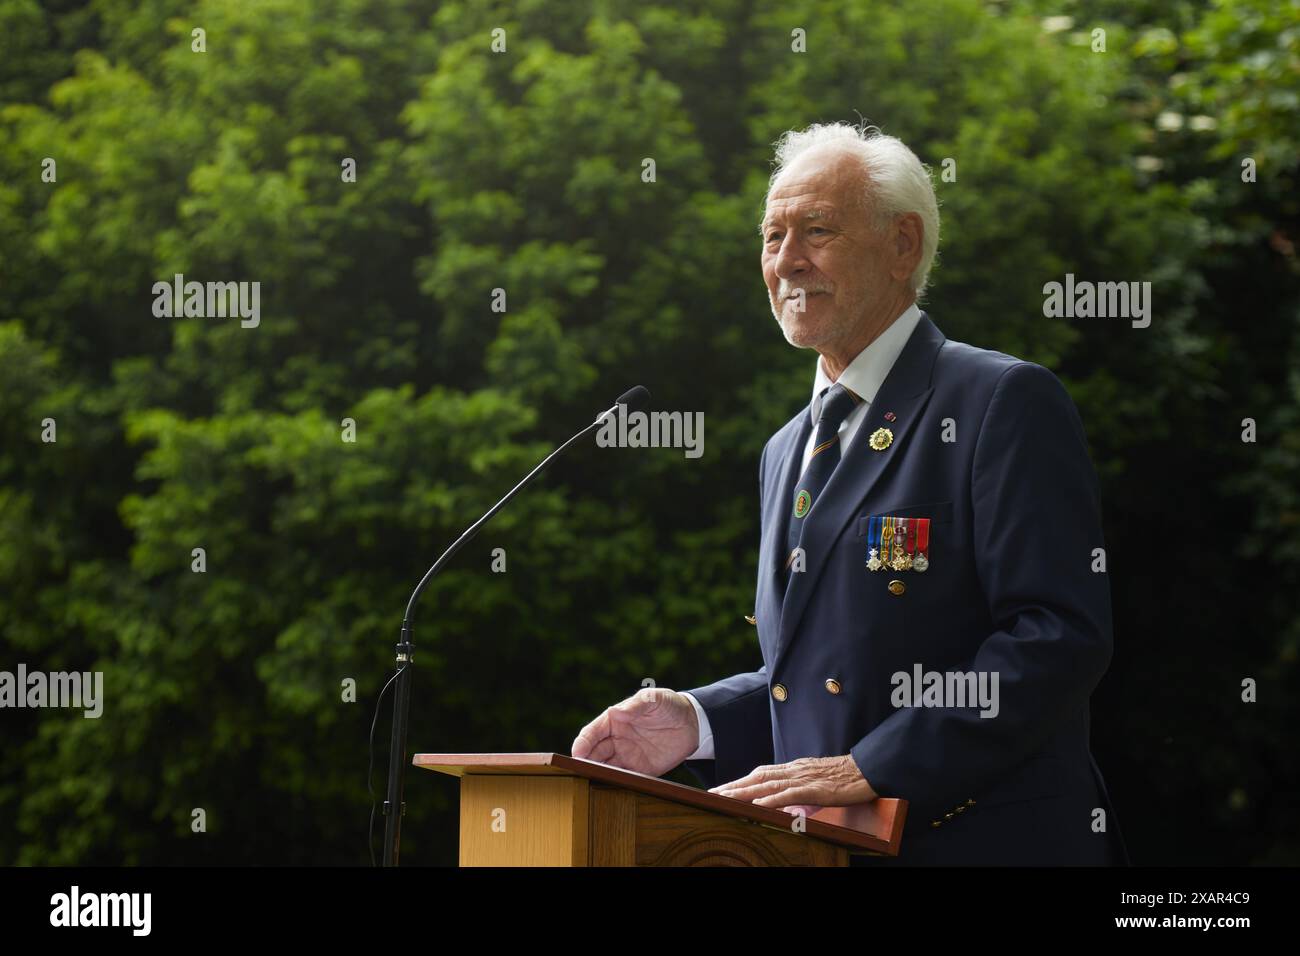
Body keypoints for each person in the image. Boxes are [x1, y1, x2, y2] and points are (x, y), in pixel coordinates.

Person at [572, 122, 1128, 865]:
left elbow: (1056, 637)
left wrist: (876, 767)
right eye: (772, 238)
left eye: (817, 230)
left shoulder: (999, 399)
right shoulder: (784, 449)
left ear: (903, 245)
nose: (787, 261)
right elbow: (821, 676)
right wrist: (698, 720)